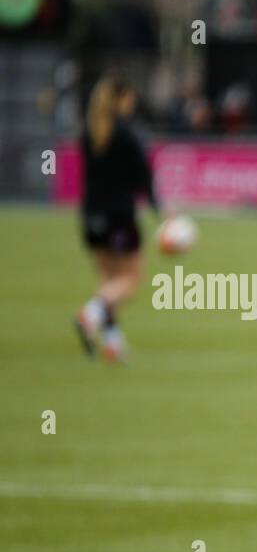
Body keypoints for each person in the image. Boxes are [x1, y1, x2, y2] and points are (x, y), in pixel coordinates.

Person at [73, 76, 163, 363]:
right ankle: (90, 315)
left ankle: (112, 343)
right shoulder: (127, 135)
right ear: (122, 99)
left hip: (90, 217)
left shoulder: (90, 133)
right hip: (119, 217)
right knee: (130, 279)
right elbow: (143, 177)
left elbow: (88, 177)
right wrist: (159, 208)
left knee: (109, 280)